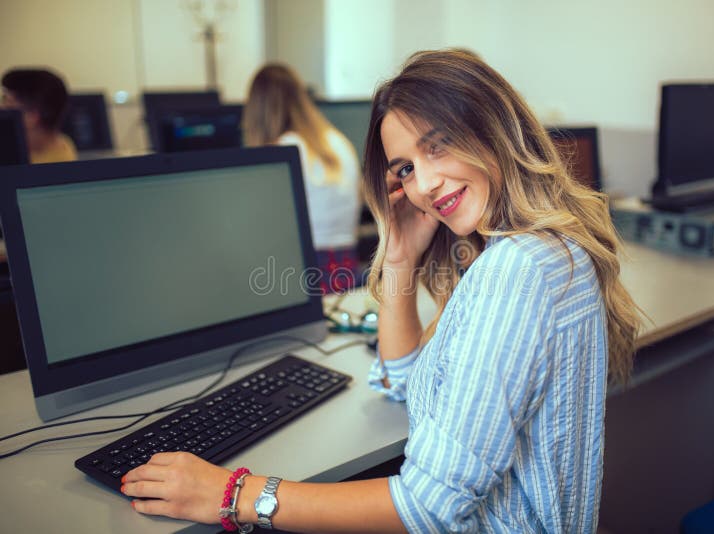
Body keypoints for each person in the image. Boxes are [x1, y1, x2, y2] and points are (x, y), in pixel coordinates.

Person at [122, 49, 641, 532]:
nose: (425, 185)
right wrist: (399, 254)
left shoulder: (517, 270)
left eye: (438, 145)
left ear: (493, 128)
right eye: (406, 169)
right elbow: (407, 383)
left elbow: (427, 506)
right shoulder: (545, 250)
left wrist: (232, 491)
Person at [242, 63, 362, 293]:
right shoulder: (337, 141)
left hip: (305, 271)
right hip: (346, 267)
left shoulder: (283, 150)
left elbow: (261, 226)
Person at [1, 68, 77, 164]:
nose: (2, 108)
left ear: (32, 116)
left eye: (7, 102)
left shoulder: (52, 166)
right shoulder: (64, 144)